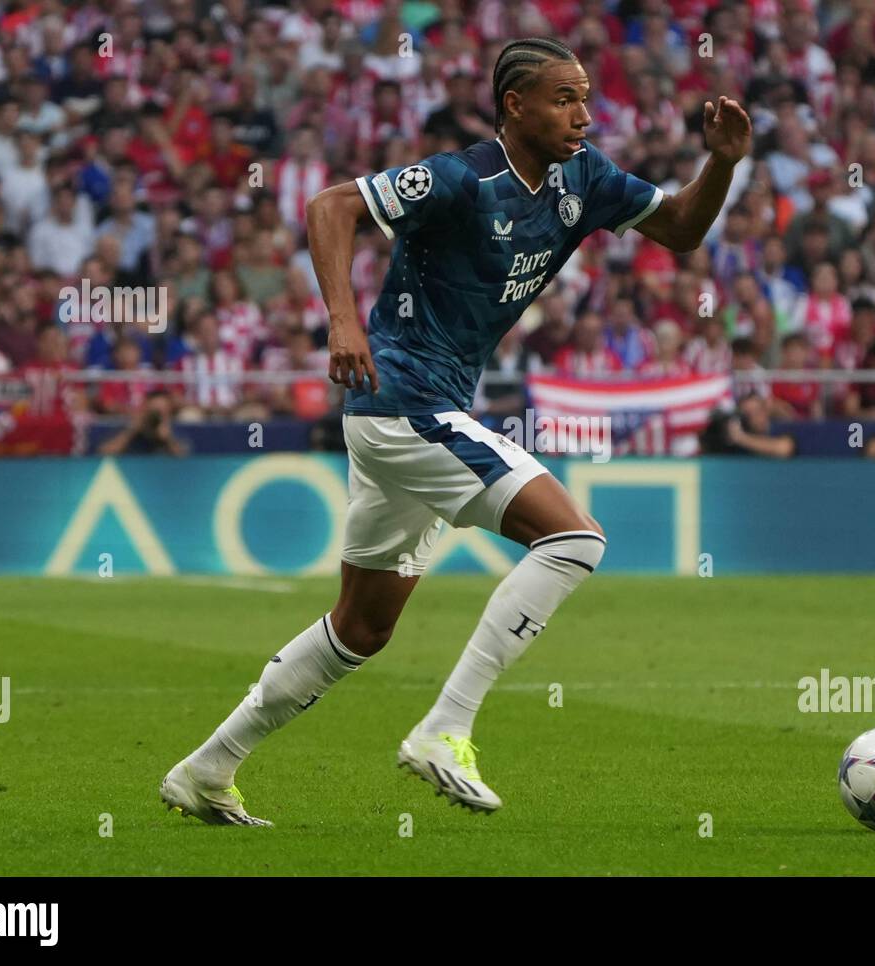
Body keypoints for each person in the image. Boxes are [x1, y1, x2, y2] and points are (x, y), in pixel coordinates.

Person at [160, 37, 752, 823]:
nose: (583, 114)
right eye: (564, 98)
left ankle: (206, 769)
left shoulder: (587, 178)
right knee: (575, 539)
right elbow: (330, 206)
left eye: (585, 97)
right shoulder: (459, 179)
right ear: (516, 105)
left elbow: (679, 229)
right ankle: (446, 727)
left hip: (411, 414)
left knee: (362, 628)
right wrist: (345, 322)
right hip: (404, 401)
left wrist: (721, 165)